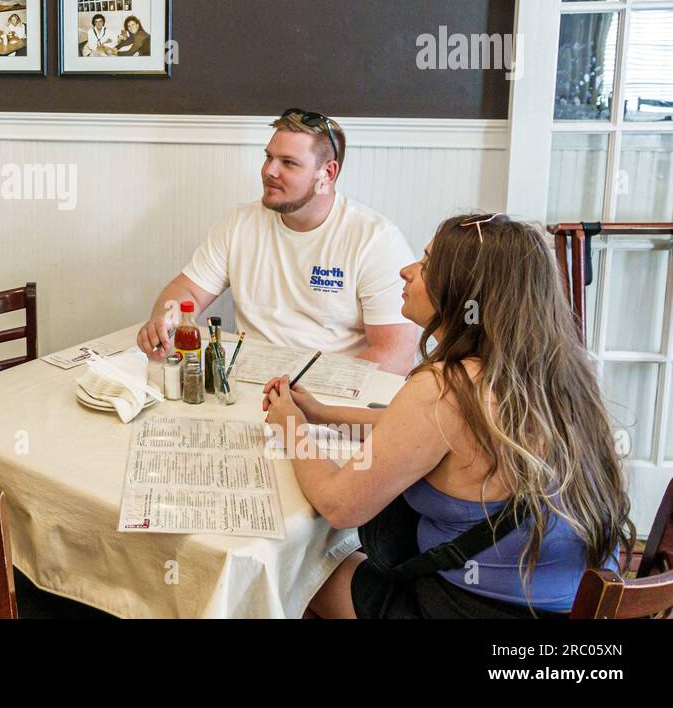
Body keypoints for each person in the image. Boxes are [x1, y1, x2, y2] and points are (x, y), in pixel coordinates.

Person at [267, 213, 634, 618]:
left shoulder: (446, 387)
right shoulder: (559, 373)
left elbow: (339, 506)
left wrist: (291, 427)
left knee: (299, 571)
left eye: (426, 264)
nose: (406, 271)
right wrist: (323, 414)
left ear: (463, 293)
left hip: (475, 608)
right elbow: (429, 438)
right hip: (568, 603)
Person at [136, 110, 418, 375]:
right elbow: (189, 291)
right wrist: (167, 319)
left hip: (332, 400)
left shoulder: (375, 240)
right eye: (268, 157)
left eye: (288, 163)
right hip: (252, 384)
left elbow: (395, 354)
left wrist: (308, 395)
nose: (269, 171)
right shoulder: (240, 222)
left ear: (327, 173)